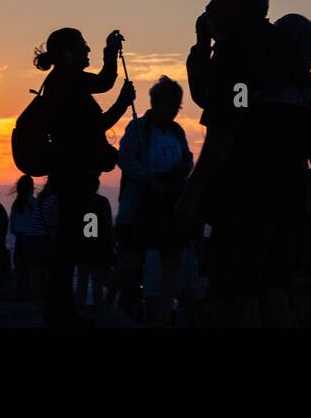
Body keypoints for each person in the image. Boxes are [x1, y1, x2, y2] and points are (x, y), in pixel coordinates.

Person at [178, 0, 309, 327]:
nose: (208, 6)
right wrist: (203, 48)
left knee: (233, 301)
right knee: (273, 294)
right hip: (287, 198)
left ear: (239, 2)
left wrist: (190, 197)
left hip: (246, 198)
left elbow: (223, 128)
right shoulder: (284, 49)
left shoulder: (238, 50)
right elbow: (214, 97)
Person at [31, 27, 135, 326]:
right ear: (67, 53)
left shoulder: (60, 81)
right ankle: (60, 311)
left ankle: (59, 308)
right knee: (68, 245)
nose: (87, 50)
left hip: (67, 174)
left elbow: (96, 111)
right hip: (73, 174)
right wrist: (111, 58)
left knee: (68, 243)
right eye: (83, 46)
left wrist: (110, 57)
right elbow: (100, 108)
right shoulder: (67, 79)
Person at [111, 75, 193, 324]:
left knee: (171, 258)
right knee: (133, 259)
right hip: (141, 205)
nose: (173, 112)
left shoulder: (177, 131)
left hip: (170, 203)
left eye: (176, 107)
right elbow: (125, 159)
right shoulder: (137, 129)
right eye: (169, 106)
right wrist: (148, 179)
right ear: (156, 103)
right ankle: (111, 303)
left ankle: (162, 316)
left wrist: (183, 167)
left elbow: (188, 157)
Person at [76, 182, 115, 309]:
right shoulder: (103, 202)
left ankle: (80, 308)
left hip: (82, 247)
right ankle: (99, 310)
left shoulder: (79, 202)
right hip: (98, 248)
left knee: (82, 281)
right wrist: (110, 246)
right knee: (97, 282)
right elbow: (108, 226)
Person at [9, 174, 40, 299]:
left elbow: (12, 228)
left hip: (19, 240)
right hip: (32, 240)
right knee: (31, 270)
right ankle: (30, 295)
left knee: (19, 269)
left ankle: (19, 294)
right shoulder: (36, 204)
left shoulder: (15, 205)